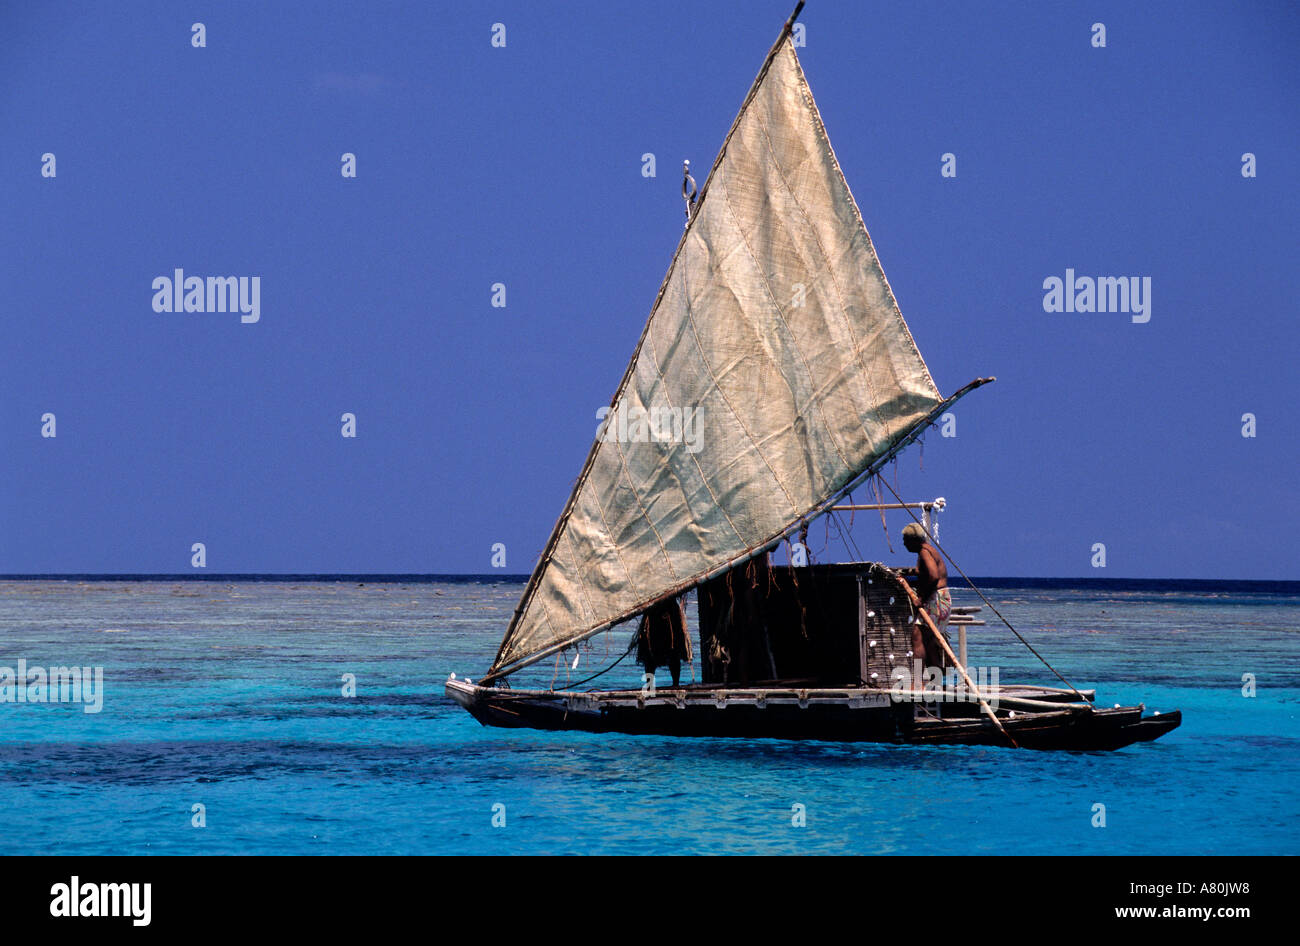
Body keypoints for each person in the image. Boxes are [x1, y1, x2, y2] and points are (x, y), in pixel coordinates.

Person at [901, 522, 951, 673]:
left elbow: (934, 576)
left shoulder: (924, 552)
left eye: (906, 541)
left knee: (917, 636)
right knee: (929, 642)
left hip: (936, 600)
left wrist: (921, 599)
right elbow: (927, 576)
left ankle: (917, 681)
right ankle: (936, 681)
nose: (904, 544)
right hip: (942, 598)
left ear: (914, 541)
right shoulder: (928, 550)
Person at [636, 596, 692, 687]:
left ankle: (675, 684)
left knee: (674, 653)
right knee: (649, 656)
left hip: (669, 618)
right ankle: (650, 686)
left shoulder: (673, 610)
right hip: (653, 616)